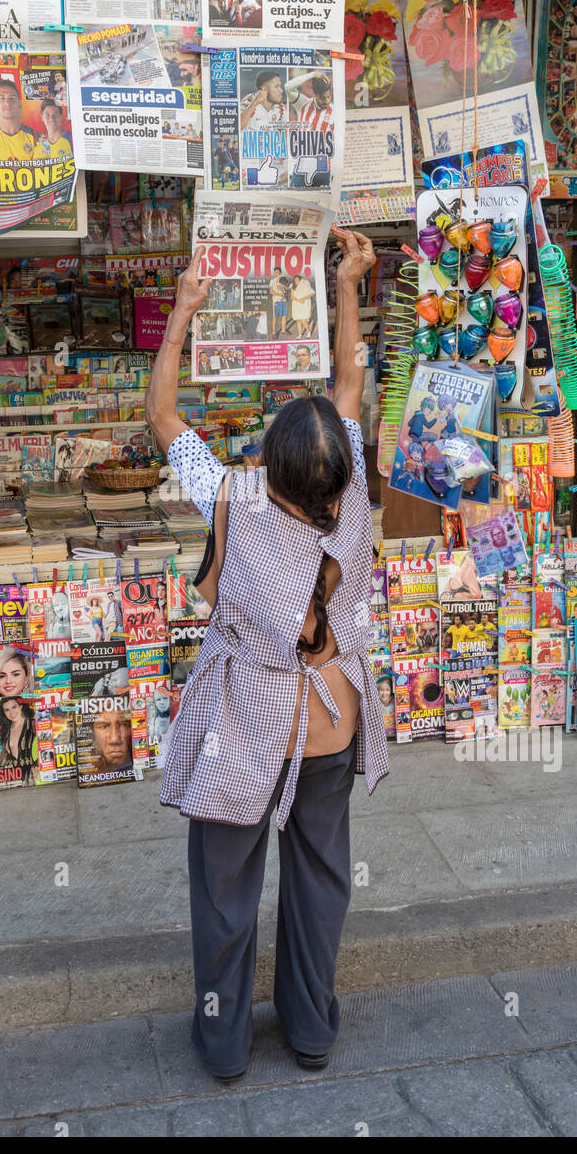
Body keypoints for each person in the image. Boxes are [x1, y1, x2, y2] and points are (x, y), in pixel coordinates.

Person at [144, 230, 388, 1081]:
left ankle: (223, 1042)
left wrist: (182, 311)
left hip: (245, 726)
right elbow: (349, 384)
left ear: (273, 460)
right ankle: (312, 1031)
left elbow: (164, 416)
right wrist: (348, 281)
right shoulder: (354, 491)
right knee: (321, 881)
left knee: (224, 891)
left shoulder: (235, 501)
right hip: (330, 716)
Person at [0, 79, 42, 161]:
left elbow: (40, 172)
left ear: (20, 103)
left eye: (12, 98)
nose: (7, 103)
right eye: (2, 98)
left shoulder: (38, 137)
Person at [0, 697, 38, 784]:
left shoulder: (31, 723)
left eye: (14, 707)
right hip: (8, 773)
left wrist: (37, 766)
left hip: (28, 772)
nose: (12, 713)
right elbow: (3, 753)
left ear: (21, 706)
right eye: (7, 710)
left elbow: (47, 742)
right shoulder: (5, 729)